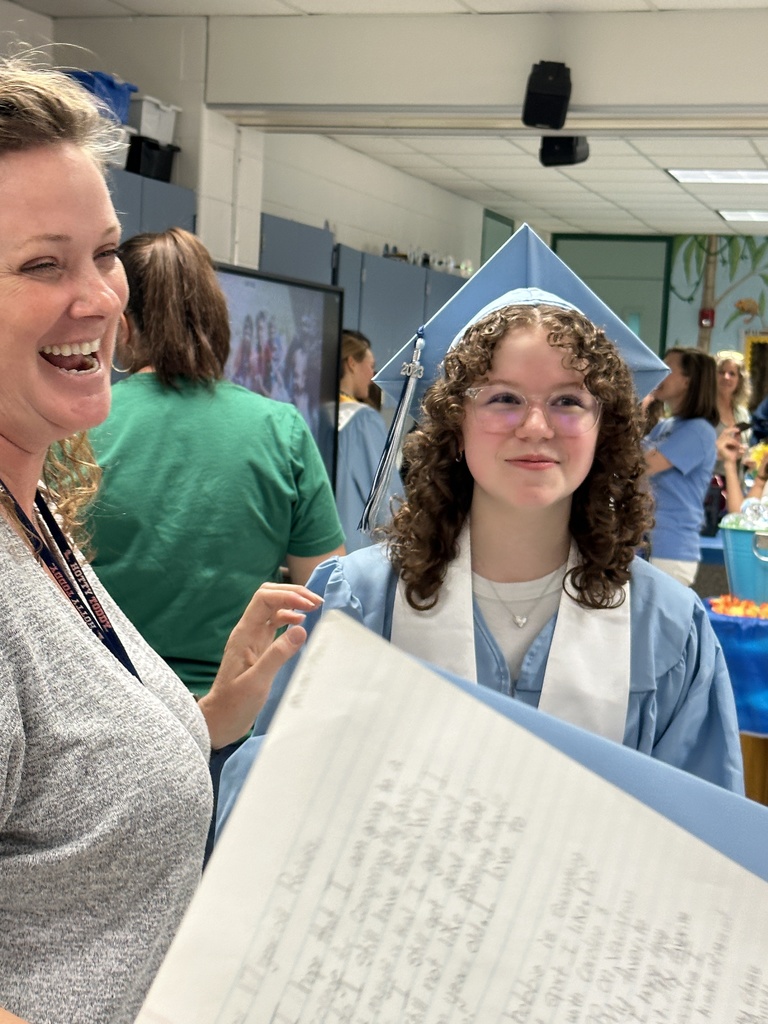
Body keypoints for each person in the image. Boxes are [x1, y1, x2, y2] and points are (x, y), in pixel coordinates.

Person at [219, 226, 743, 833]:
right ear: (453, 420)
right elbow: (271, 822)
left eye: (570, 401)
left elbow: (706, 855)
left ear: (606, 427)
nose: (536, 426)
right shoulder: (357, 601)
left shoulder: (669, 631)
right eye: (503, 399)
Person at [0, 54, 320, 1024]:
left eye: (105, 253)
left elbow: (66, 794)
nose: (100, 298)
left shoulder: (36, 511)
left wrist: (212, 711)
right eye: (42, 264)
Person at [87, 227, 346, 700]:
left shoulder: (77, 429)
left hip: (113, 715)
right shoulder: (281, 429)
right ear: (218, 318)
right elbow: (326, 596)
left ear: (122, 326)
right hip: (240, 719)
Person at [642, 346, 719, 586]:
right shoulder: (666, 426)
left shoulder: (698, 431)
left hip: (671, 552)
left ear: (688, 381)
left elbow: (639, 466)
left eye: (668, 368)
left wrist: (641, 405)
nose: (660, 373)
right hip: (648, 546)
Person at [336, 329, 403, 551]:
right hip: (355, 553)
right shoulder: (361, 420)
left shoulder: (310, 415)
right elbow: (387, 501)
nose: (373, 375)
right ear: (352, 363)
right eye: (371, 365)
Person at [714, 349, 751, 475]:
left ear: (740, 380)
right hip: (708, 488)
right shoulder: (704, 411)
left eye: (732, 373)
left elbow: (744, 453)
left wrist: (747, 460)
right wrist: (718, 454)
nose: (726, 377)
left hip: (737, 487)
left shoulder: (742, 414)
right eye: (721, 372)